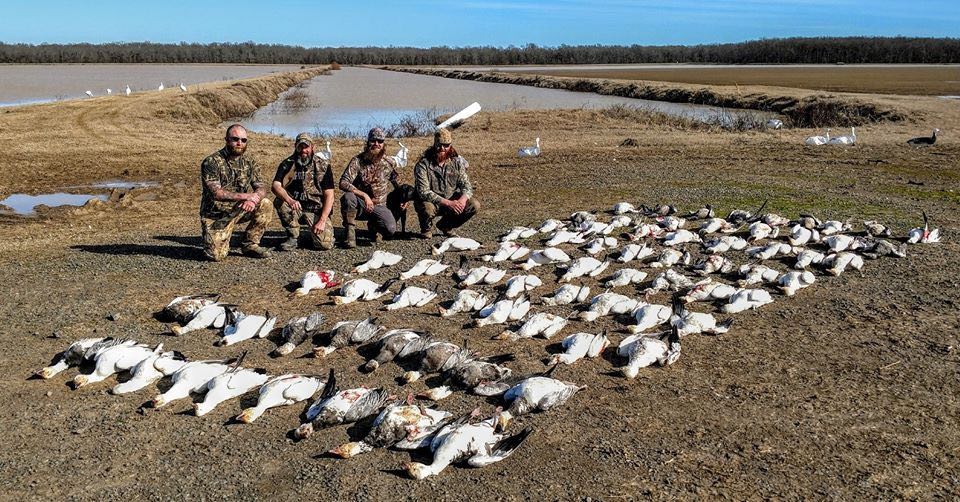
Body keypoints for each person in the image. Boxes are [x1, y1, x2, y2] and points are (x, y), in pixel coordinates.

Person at [199, 124, 273, 261]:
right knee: (216, 256)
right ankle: (219, 237)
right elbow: (217, 193)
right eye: (235, 139)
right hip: (216, 214)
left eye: (243, 140)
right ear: (226, 139)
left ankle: (250, 244)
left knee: (266, 204)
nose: (240, 143)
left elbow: (262, 187)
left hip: (239, 209)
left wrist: (254, 199)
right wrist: (246, 196)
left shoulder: (250, 162)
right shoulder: (211, 162)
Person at [338, 127, 403, 248]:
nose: (376, 144)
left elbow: (399, 184)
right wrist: (364, 195)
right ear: (368, 142)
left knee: (390, 230)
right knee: (348, 197)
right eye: (373, 140)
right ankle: (350, 235)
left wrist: (404, 199)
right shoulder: (357, 161)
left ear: (384, 144)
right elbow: (343, 182)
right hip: (361, 204)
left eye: (380, 141)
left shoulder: (389, 163)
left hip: (379, 206)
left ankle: (374, 227)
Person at [272, 132, 335, 251]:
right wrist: (290, 200)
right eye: (300, 147)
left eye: (306, 147)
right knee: (279, 200)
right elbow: (275, 186)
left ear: (312, 147)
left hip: (316, 210)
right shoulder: (288, 164)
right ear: (295, 147)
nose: (303, 150)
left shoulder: (323, 165)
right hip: (296, 208)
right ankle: (293, 236)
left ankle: (319, 234)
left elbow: (330, 195)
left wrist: (322, 220)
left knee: (324, 245)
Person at [413, 128, 479, 238]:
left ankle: (446, 225)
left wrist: (462, 200)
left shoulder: (456, 162)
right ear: (435, 144)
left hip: (450, 199)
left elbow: (466, 185)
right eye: (439, 145)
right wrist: (449, 203)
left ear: (450, 145)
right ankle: (426, 228)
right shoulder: (423, 165)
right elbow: (423, 192)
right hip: (432, 202)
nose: (442, 148)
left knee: (474, 205)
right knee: (427, 208)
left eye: (446, 145)